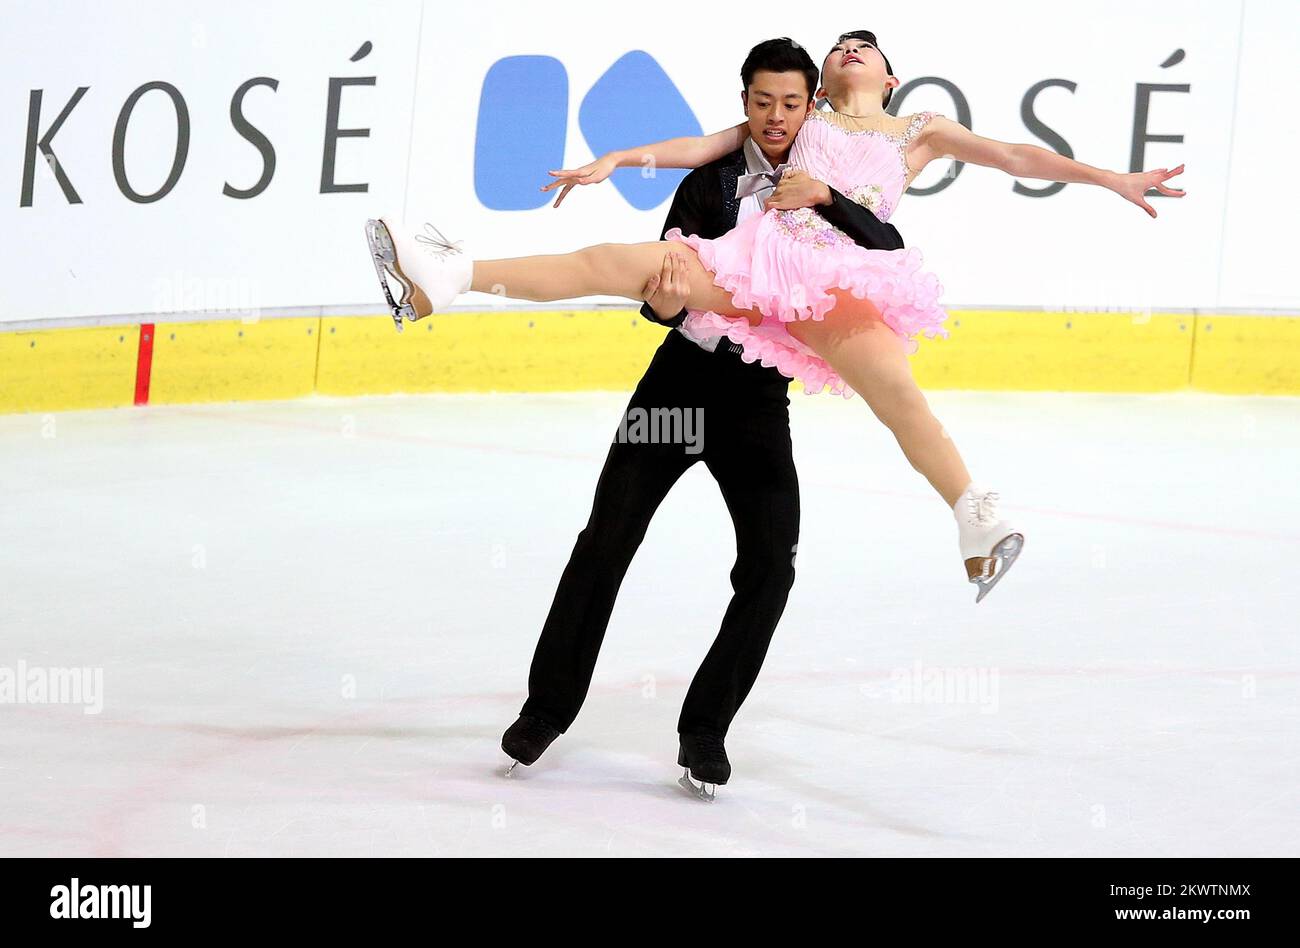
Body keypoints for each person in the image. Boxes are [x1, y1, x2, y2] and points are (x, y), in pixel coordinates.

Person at [365, 30, 1186, 601]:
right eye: (840, 46)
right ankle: (447, 275)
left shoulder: (920, 132)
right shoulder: (806, 119)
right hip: (755, 261)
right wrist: (619, 157)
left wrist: (1113, 179)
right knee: (625, 263)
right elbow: (703, 146)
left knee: (896, 395)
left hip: (837, 282)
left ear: (892, 79)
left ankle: (977, 518)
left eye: (867, 47)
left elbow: (1019, 157)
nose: (850, 48)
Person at [495, 38, 911, 800]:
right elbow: (661, 298)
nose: (776, 117)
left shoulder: (830, 186)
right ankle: (547, 710)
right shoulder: (709, 182)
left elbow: (888, 245)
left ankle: (705, 730)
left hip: (756, 402)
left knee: (770, 565)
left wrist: (828, 198)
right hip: (677, 392)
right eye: (761, 103)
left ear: (810, 104)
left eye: (791, 103)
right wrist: (661, 298)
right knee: (606, 537)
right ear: (744, 102)